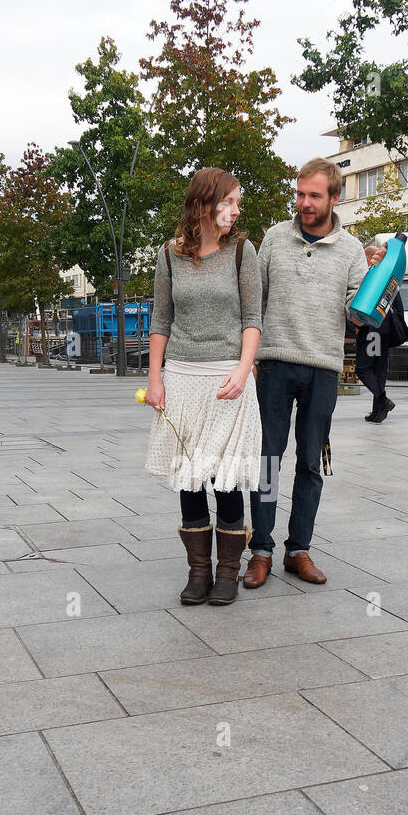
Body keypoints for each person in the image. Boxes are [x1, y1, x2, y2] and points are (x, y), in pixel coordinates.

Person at [241, 158, 367, 590]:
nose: (304, 202)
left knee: (311, 462)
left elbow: (359, 314)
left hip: (324, 368)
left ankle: (299, 550)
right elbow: (253, 303)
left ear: (335, 198)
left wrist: (379, 292)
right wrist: (250, 359)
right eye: (300, 193)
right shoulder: (275, 238)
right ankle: (260, 551)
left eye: (314, 195)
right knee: (269, 461)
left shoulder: (352, 249)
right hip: (274, 364)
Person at [144, 167, 262, 607]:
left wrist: (243, 367)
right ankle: (199, 572)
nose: (235, 210)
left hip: (228, 378)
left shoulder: (242, 251)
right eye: (228, 201)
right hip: (181, 378)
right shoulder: (169, 255)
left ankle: (228, 572)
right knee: (190, 480)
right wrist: (155, 378)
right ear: (203, 204)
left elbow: (253, 318)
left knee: (227, 479)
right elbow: (161, 320)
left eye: (237, 202)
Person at [350, 241, 407, 422]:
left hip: (372, 329)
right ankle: (378, 411)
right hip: (386, 330)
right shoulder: (388, 277)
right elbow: (398, 304)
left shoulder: (372, 275)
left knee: (363, 368)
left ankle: (382, 401)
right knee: (379, 370)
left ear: (367, 258)